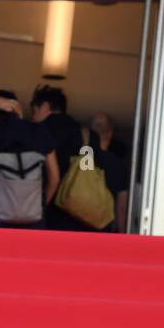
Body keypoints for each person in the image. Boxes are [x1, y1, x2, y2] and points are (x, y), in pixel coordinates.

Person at [0, 90, 58, 228]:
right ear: (16, 107)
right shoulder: (40, 131)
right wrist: (40, 205)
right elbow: (54, 178)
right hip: (33, 214)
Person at [30, 85, 105, 230]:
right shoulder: (88, 135)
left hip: (45, 212)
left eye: (35, 111)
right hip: (80, 214)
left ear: (45, 106)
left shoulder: (38, 131)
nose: (33, 118)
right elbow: (89, 169)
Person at [90, 111, 130, 231]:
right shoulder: (119, 165)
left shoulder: (81, 161)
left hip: (78, 225)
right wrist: (122, 234)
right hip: (104, 227)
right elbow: (121, 206)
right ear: (110, 134)